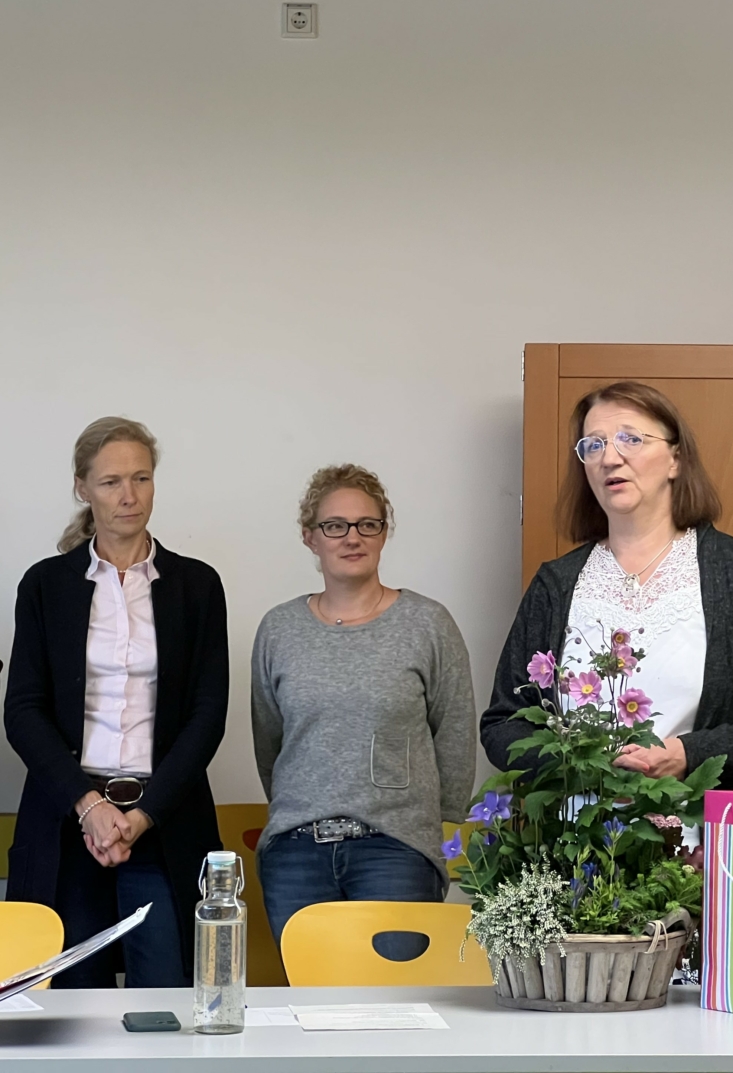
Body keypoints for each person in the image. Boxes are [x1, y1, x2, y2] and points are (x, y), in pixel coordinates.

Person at [483, 381, 733, 790]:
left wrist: (690, 754)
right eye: (593, 445)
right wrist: (578, 766)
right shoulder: (557, 584)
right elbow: (502, 723)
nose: (610, 458)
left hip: (709, 842)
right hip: (582, 843)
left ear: (675, 459)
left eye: (630, 439)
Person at [4, 417, 228, 987]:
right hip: (67, 821)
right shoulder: (45, 586)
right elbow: (23, 710)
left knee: (172, 996)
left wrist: (142, 815)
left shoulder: (197, 586)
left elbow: (207, 715)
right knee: (70, 1007)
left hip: (165, 821)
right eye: (110, 482)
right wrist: (90, 807)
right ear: (82, 487)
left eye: (141, 478)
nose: (129, 496)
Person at [251, 464, 476, 943]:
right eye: (335, 526)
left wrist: (441, 829)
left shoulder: (427, 624)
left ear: (383, 533)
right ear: (311, 537)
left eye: (366, 524)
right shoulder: (279, 629)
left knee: (396, 1010)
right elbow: (269, 739)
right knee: (309, 1009)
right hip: (296, 852)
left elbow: (455, 733)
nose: (351, 537)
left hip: (397, 850)